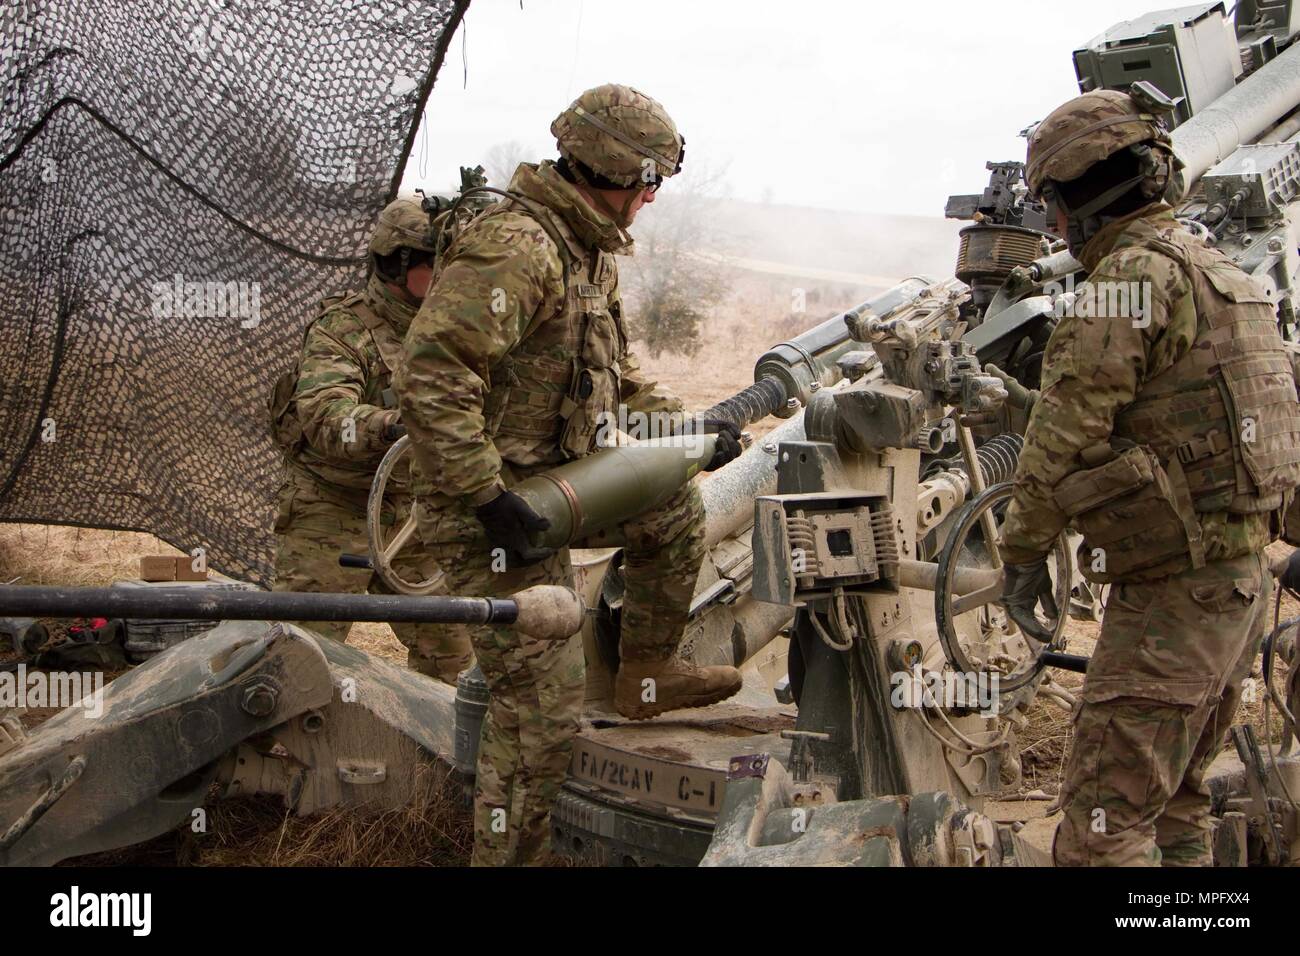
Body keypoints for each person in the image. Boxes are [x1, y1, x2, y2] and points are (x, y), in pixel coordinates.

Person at [393, 84, 743, 865]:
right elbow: (431, 374)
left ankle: (646, 670)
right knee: (538, 714)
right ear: (616, 174)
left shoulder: (585, 251)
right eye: (649, 183)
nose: (651, 200)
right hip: (484, 507)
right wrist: (486, 496)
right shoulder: (519, 247)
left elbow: (613, 382)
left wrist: (689, 432)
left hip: (555, 481)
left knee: (674, 511)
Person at [997, 86, 1300, 866]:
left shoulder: (1125, 282)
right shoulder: (1226, 277)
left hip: (1172, 600)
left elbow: (1061, 439)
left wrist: (1022, 555)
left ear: (1072, 203)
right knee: (1175, 810)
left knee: (1102, 826)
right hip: (1236, 590)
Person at [267, 198, 472, 684]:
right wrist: (394, 426)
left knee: (451, 653)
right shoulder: (343, 328)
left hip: (412, 514)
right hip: (330, 507)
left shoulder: (455, 330)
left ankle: (436, 751)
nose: (446, 276)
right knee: (300, 656)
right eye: (433, 264)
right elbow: (324, 415)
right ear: (396, 265)